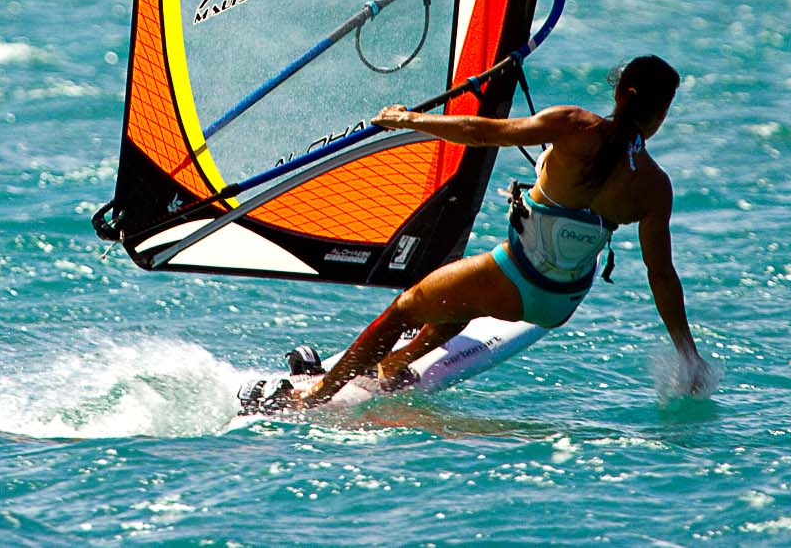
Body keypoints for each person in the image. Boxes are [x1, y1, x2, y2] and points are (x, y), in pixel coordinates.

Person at [287, 55, 707, 406]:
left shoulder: (574, 126)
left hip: (517, 277)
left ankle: (319, 393)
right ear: (661, 113)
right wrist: (687, 354)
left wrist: (408, 119)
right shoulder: (654, 185)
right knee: (459, 296)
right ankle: (398, 364)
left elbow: (480, 132)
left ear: (620, 94)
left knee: (406, 308)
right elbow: (662, 276)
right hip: (560, 303)